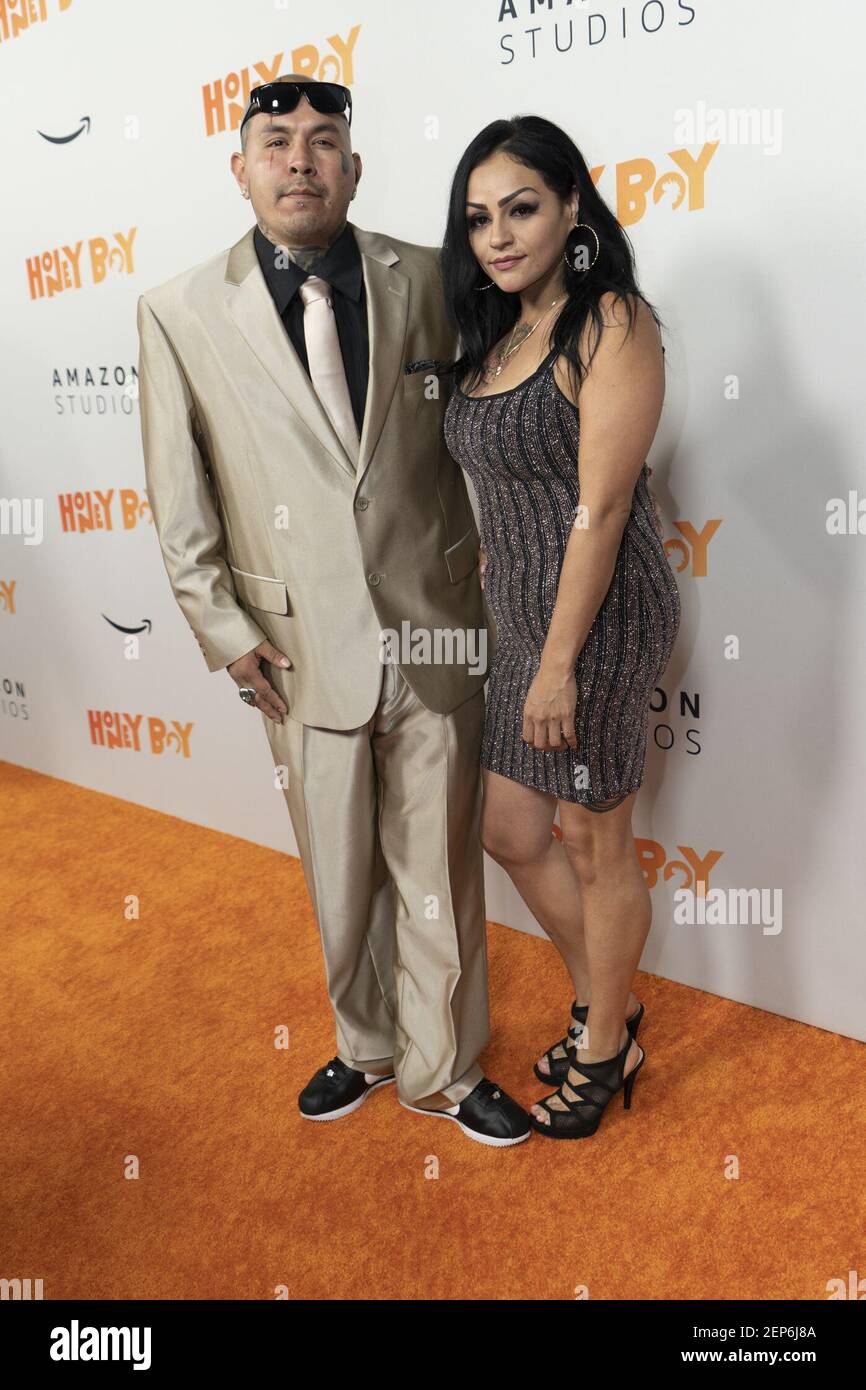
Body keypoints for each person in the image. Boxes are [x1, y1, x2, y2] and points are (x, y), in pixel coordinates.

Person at [136, 75, 530, 1147]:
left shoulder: (430, 279)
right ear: (242, 168)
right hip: (296, 647)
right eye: (276, 142)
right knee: (339, 868)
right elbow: (180, 497)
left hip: (437, 621)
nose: (299, 160)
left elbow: (481, 428)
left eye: (322, 142)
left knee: (438, 863)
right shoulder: (176, 312)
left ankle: (443, 1067)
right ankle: (364, 1043)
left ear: (353, 167)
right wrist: (222, 630)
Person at [440, 115, 682, 1139]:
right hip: (523, 611)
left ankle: (600, 1044)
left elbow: (604, 509)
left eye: (522, 207)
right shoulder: (496, 334)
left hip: (597, 617)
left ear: (573, 207)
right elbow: (508, 481)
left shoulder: (610, 322)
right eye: (478, 218)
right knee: (508, 829)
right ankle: (614, 1008)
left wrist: (554, 668)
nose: (498, 235)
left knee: (590, 837)